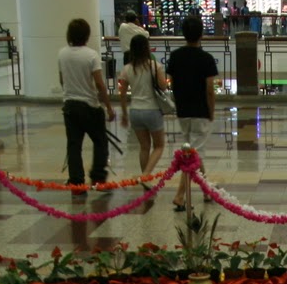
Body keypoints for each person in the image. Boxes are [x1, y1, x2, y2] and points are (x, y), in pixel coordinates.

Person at [166, 14, 218, 212]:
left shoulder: (176, 56)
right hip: (200, 112)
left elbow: (171, 83)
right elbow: (210, 89)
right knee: (193, 155)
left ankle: (206, 191)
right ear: (201, 33)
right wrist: (211, 111)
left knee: (193, 150)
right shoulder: (206, 59)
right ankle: (180, 195)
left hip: (183, 111)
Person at [58, 17, 115, 189]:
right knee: (100, 141)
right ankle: (98, 177)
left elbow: (62, 80)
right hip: (89, 106)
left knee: (74, 145)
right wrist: (109, 107)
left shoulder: (62, 54)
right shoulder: (91, 55)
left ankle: (76, 182)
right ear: (87, 35)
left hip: (69, 105)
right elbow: (99, 84)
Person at [118, 34, 168, 176]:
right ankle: (146, 174)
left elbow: (122, 94)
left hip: (135, 111)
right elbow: (163, 86)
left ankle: (146, 181)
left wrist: (124, 114)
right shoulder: (155, 66)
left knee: (144, 147)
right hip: (152, 110)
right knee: (159, 146)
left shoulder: (127, 69)